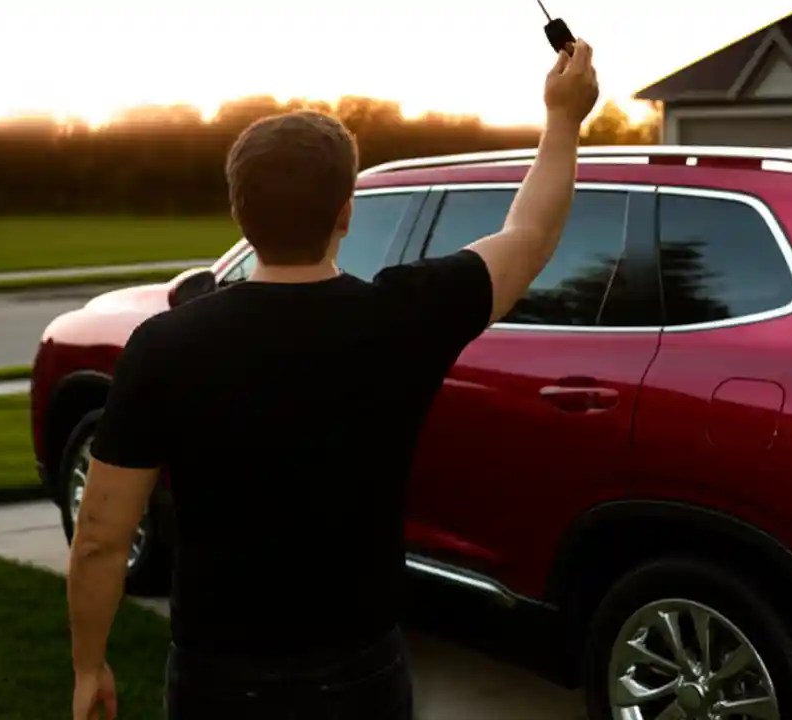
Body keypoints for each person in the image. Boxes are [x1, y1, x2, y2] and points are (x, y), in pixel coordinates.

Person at [67, 40, 599, 720]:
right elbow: (531, 235)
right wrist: (563, 118)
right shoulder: (406, 316)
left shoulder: (164, 345)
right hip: (359, 675)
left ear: (240, 214)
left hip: (217, 678)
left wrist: (89, 665)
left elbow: (101, 536)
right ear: (346, 212)